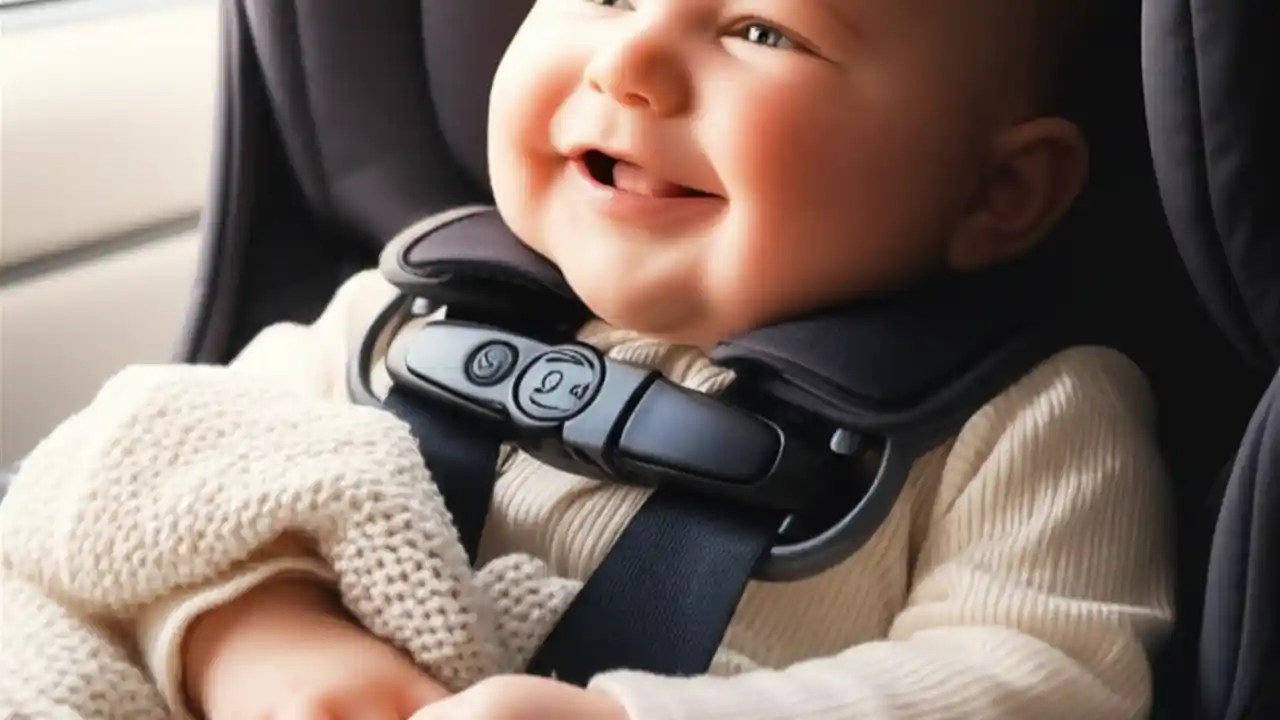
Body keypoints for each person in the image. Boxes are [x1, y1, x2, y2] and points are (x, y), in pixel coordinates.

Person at [0, 1, 1174, 718]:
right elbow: (150, 487)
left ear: (997, 190)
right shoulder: (405, 315)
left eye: (761, 31)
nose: (634, 65)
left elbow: (1041, 683)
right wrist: (252, 638)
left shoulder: (1021, 418)